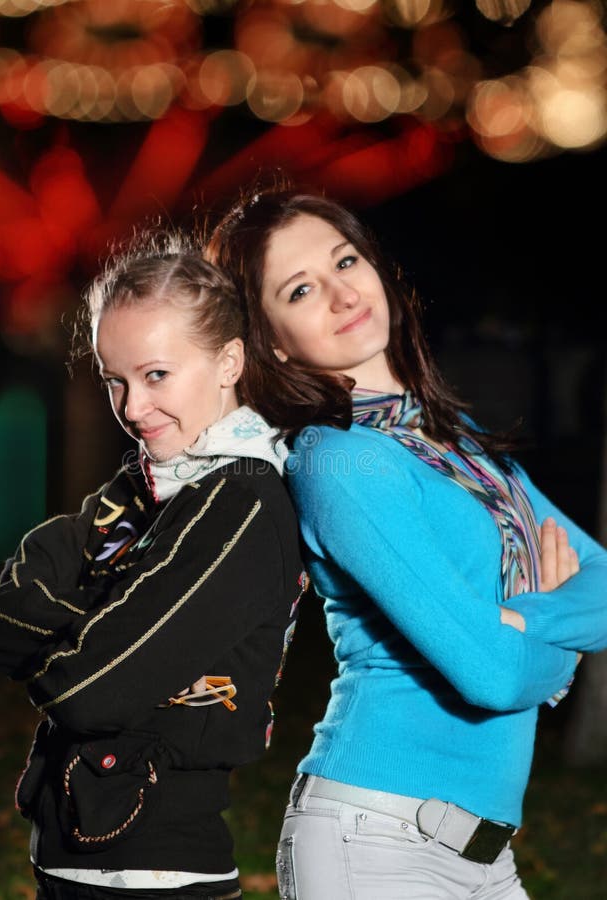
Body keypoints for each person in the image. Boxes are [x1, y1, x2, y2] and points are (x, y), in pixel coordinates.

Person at [206, 188, 607, 899]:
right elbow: (492, 675)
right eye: (300, 290)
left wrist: (527, 622)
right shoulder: (341, 461)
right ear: (268, 339)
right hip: (379, 847)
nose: (340, 293)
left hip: (482, 856)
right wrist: (549, 641)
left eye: (346, 260)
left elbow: (601, 579)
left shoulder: (456, 446)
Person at [0, 232, 306, 900]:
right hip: (73, 861)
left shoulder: (242, 502)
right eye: (115, 381)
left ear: (229, 361)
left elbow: (88, 690)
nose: (131, 408)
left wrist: (85, 634)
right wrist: (105, 625)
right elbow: (0, 623)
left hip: (156, 873)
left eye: (155, 375)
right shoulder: (146, 485)